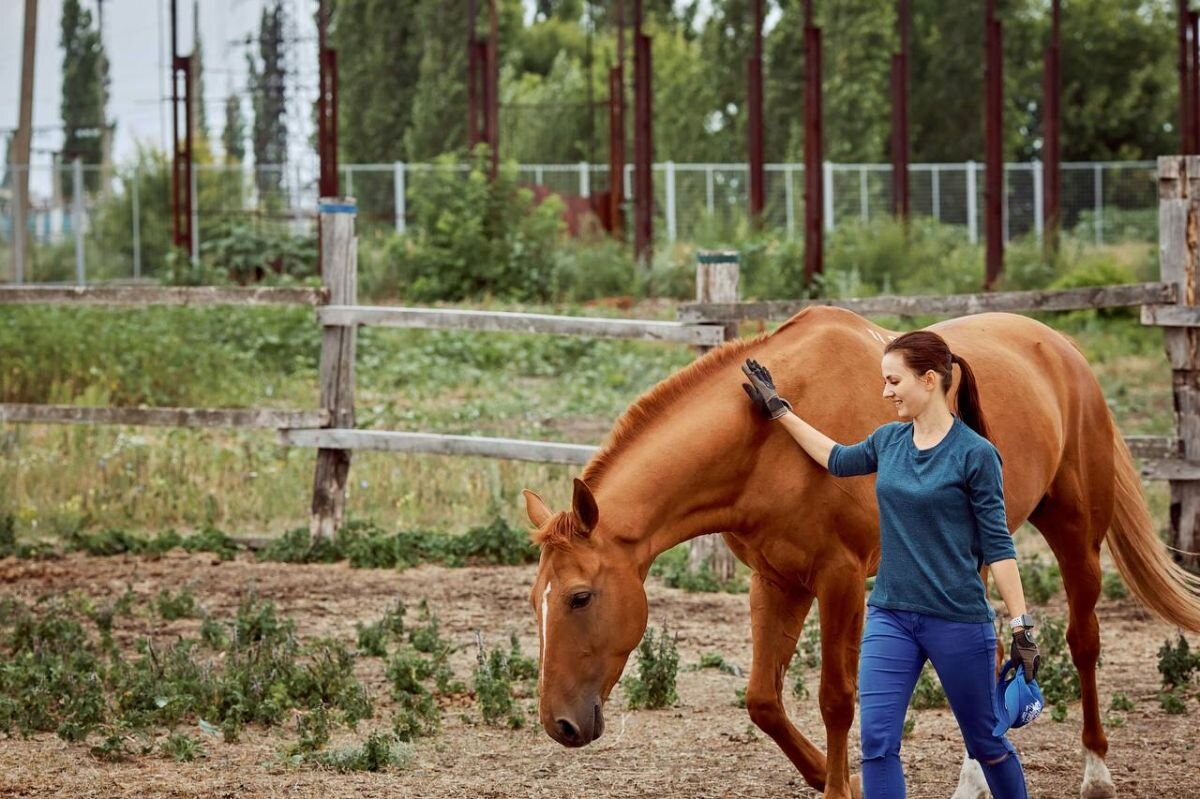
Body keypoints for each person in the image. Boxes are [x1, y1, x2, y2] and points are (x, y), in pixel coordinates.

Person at [740, 330, 1040, 799]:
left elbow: (999, 547)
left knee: (987, 742)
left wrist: (1021, 629)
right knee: (877, 746)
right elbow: (835, 459)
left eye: (894, 381)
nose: (885, 392)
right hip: (890, 618)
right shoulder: (889, 441)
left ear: (929, 380)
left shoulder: (976, 455)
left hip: (957, 620)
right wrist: (781, 411)